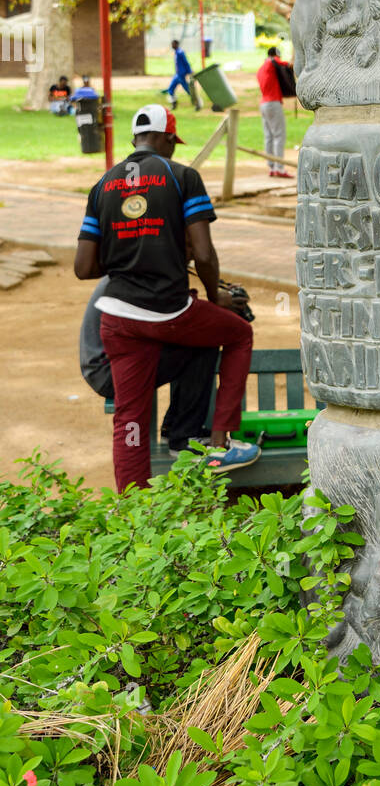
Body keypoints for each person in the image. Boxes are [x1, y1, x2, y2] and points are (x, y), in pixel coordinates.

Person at [73, 103, 260, 491]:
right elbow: (204, 253)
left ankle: (134, 510)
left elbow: (84, 267)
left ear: (136, 140)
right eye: (173, 141)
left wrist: (130, 250)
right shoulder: (181, 177)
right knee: (238, 332)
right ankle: (221, 441)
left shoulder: (103, 184)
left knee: (129, 420)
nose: (174, 148)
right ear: (164, 138)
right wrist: (215, 296)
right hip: (167, 310)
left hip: (118, 320)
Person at [80, 275, 219, 457]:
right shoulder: (138, 278)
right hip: (109, 372)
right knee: (202, 344)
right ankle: (183, 437)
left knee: (191, 342)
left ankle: (174, 429)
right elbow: (166, 326)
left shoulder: (130, 271)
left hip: (104, 367)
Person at [256, 45, 294, 179]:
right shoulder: (272, 62)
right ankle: (280, 167)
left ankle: (272, 167)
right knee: (279, 135)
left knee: (269, 136)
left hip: (264, 104)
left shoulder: (261, 68)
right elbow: (286, 64)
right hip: (273, 103)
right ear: (275, 55)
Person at [162, 39, 201, 110]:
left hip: (181, 75)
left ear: (176, 44)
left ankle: (197, 104)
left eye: (173, 44)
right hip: (177, 75)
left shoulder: (180, 53)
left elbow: (186, 62)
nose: (172, 46)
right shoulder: (176, 53)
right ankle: (174, 104)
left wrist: (190, 71)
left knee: (189, 90)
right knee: (171, 89)